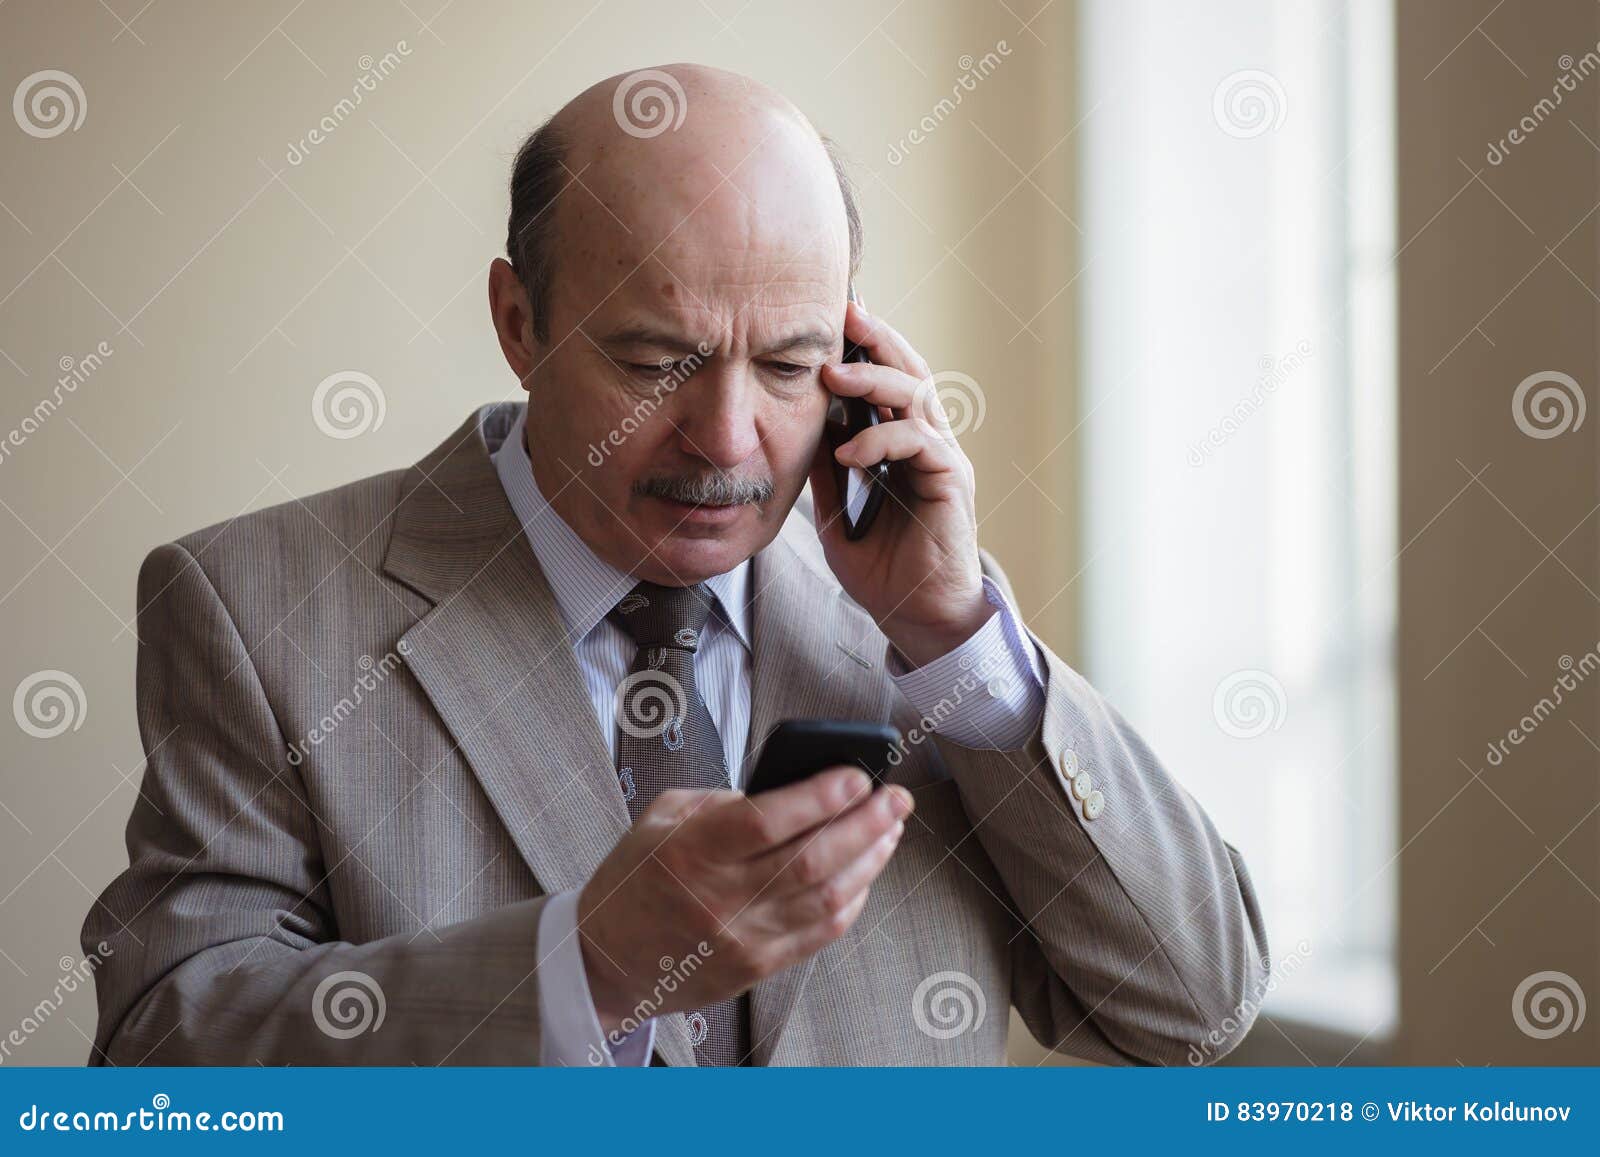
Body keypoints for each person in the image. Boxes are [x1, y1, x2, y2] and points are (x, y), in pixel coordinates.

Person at [82, 63, 1268, 1066]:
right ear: (519, 323)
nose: (727, 437)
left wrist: (957, 633)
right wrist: (583, 967)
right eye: (656, 361)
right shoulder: (257, 603)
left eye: (793, 364)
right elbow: (161, 1058)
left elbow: (1194, 1009)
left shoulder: (923, 639)